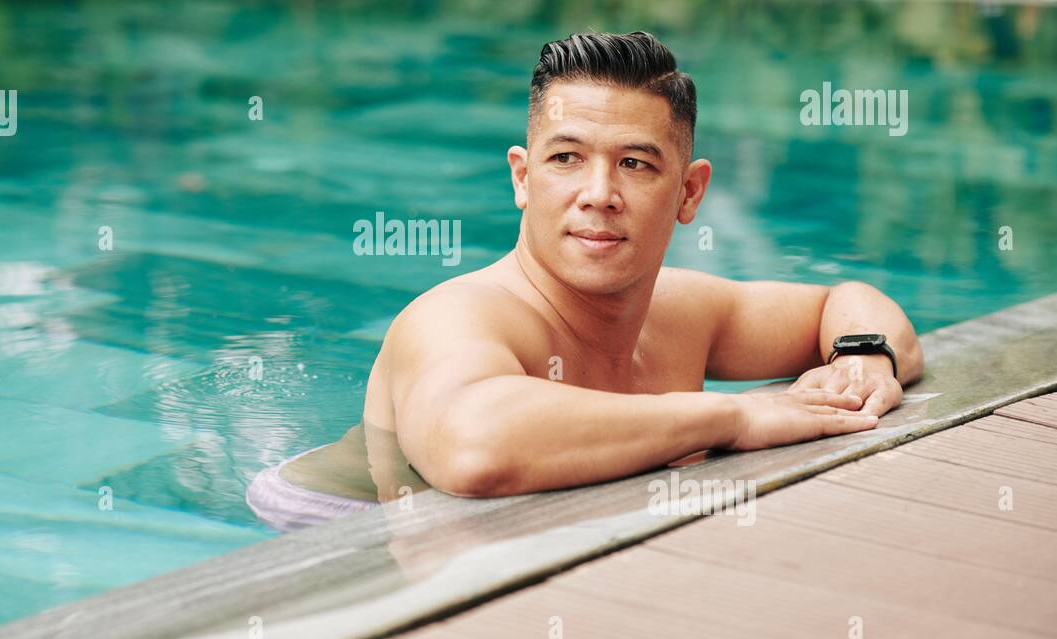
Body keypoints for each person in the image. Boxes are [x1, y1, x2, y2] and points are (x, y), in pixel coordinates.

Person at [360, 31, 924, 498]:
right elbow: (475, 447)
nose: (599, 193)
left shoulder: (681, 312)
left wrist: (866, 365)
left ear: (689, 192)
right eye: (566, 159)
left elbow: (845, 301)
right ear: (523, 177)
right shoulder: (454, 316)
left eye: (634, 163)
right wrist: (733, 417)